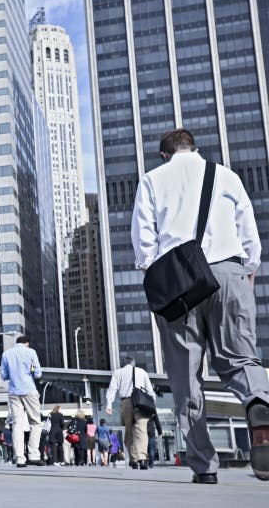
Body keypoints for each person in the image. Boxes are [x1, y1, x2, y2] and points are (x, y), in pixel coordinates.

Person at [131, 128, 269, 484]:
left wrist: (157, 279)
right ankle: (257, 402)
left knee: (186, 376)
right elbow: (249, 234)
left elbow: (144, 242)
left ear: (164, 155)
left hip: (179, 281)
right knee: (241, 359)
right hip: (228, 271)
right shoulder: (226, 174)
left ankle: (204, 466)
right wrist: (246, 271)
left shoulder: (152, 180)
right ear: (195, 149)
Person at [1, 335, 44, 468]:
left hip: (14, 392)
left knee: (17, 425)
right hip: (29, 390)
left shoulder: (6, 354)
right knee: (35, 422)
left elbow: (4, 375)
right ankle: (33, 455)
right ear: (27, 343)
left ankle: (20, 458)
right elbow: (38, 374)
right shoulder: (31, 352)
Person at [105, 356, 154, 470]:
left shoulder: (118, 372)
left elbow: (112, 389)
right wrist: (153, 405)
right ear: (134, 363)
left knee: (129, 431)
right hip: (141, 402)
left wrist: (109, 405)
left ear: (123, 363)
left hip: (126, 402)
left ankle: (133, 459)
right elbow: (150, 390)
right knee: (141, 431)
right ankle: (142, 458)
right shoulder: (142, 372)